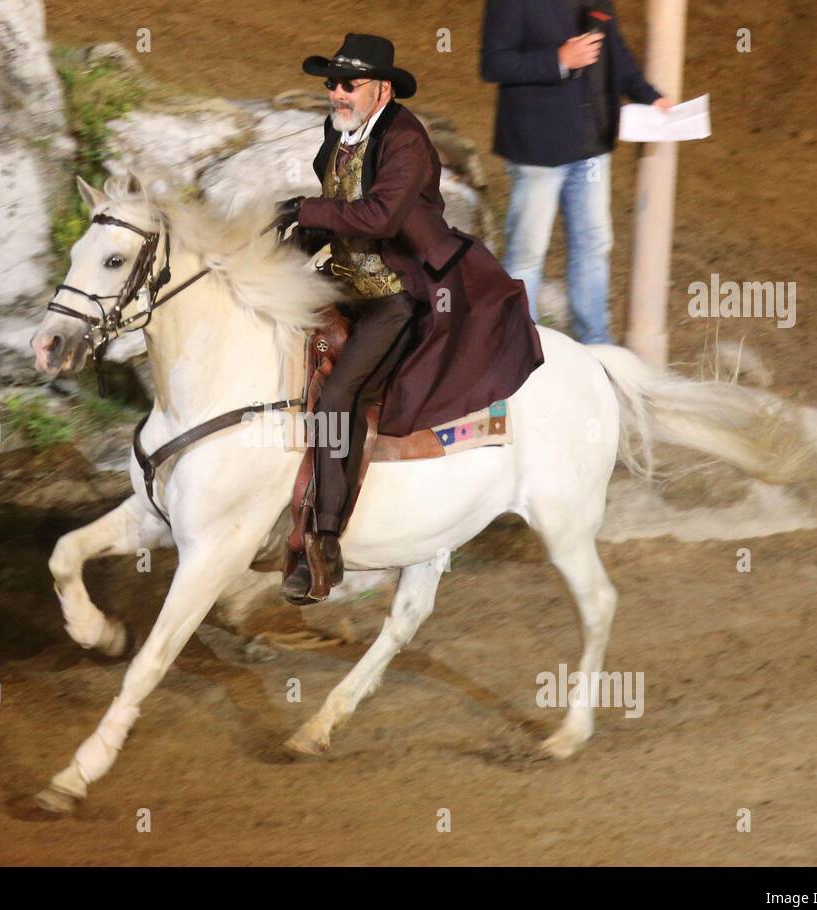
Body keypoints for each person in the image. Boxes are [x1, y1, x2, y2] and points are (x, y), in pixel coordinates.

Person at [273, 33, 544, 604]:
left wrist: (305, 208)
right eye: (331, 83)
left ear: (383, 89)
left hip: (398, 293)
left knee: (339, 395)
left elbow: (377, 215)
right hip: (347, 279)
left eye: (348, 84)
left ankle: (322, 543)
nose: (336, 93)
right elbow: (342, 208)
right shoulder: (340, 131)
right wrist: (298, 233)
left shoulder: (407, 141)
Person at [480, 0, 673, 344]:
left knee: (593, 245)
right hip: (538, 148)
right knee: (527, 253)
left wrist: (649, 96)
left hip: (592, 147)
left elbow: (615, 50)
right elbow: (494, 63)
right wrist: (558, 60)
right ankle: (523, 348)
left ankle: (596, 345)